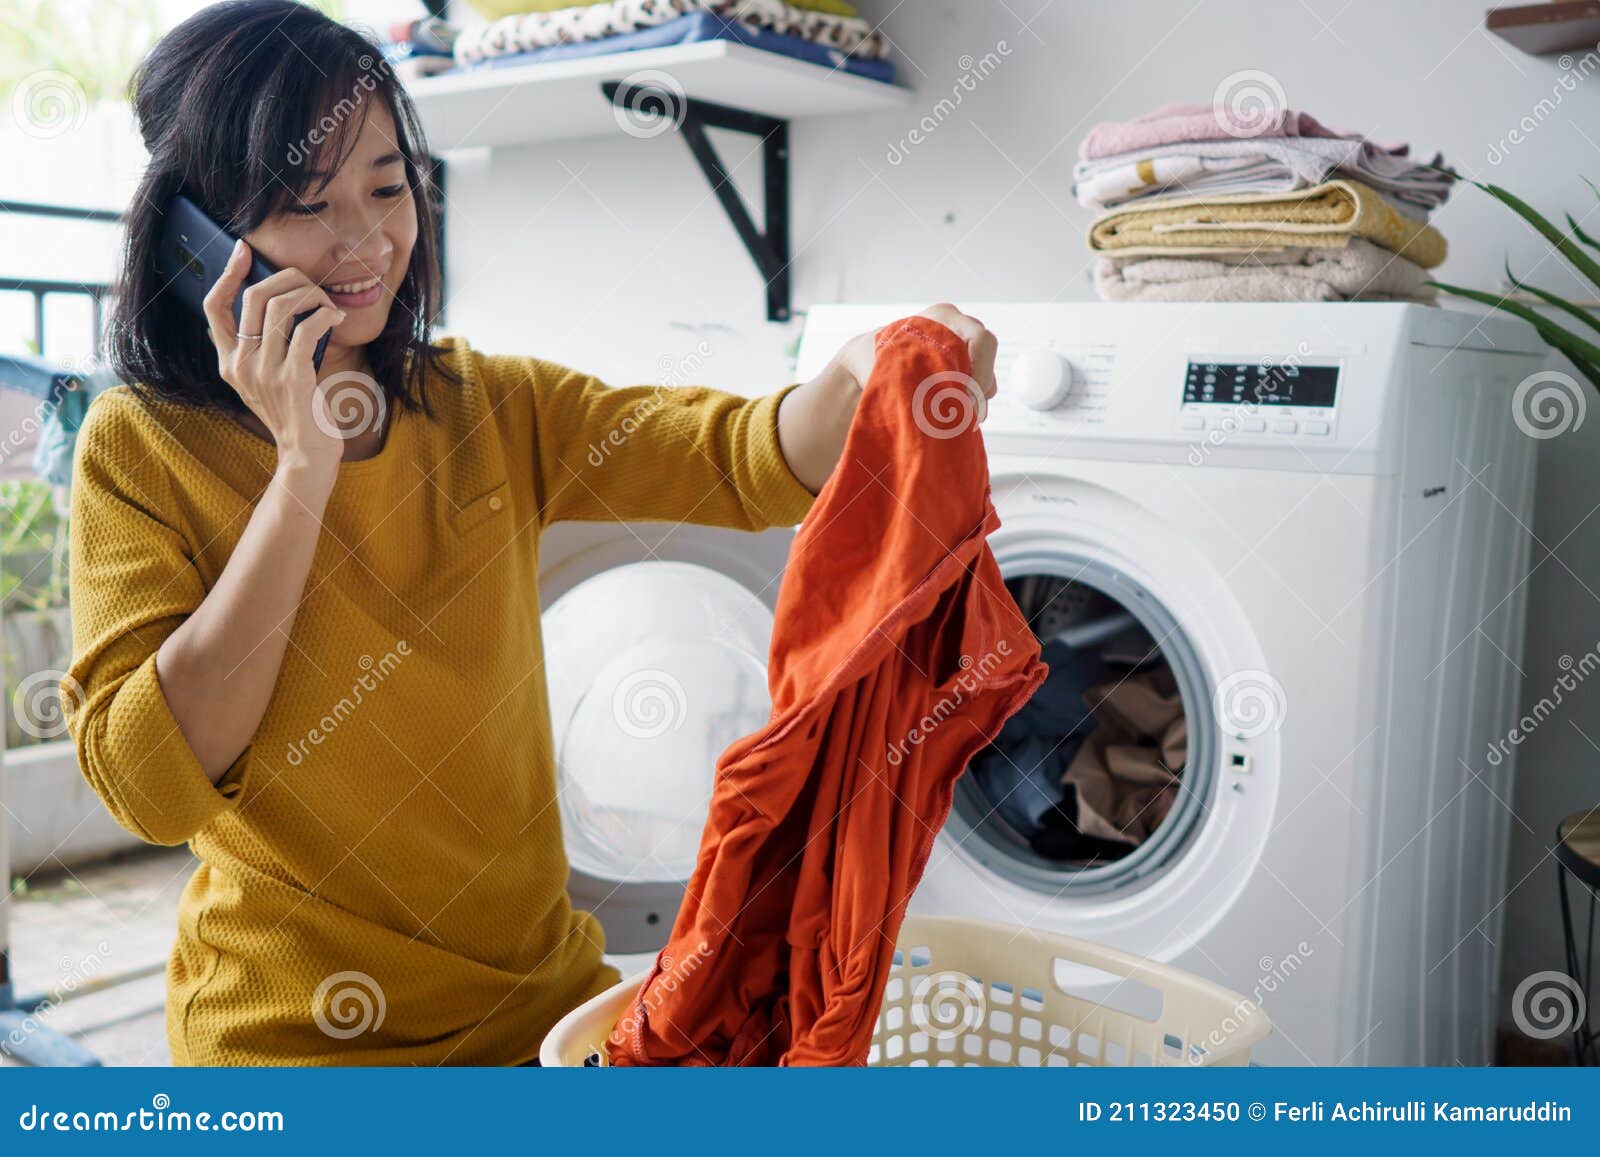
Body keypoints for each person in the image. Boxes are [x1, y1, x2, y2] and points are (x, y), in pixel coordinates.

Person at [67, 0, 997, 1065]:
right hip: (292, 1040)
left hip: (541, 1010)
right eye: (306, 204)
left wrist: (873, 368)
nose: (366, 241)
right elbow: (151, 786)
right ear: (200, 239)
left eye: (387, 187)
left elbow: (741, 455)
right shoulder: (139, 445)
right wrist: (302, 468)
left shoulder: (487, 403)